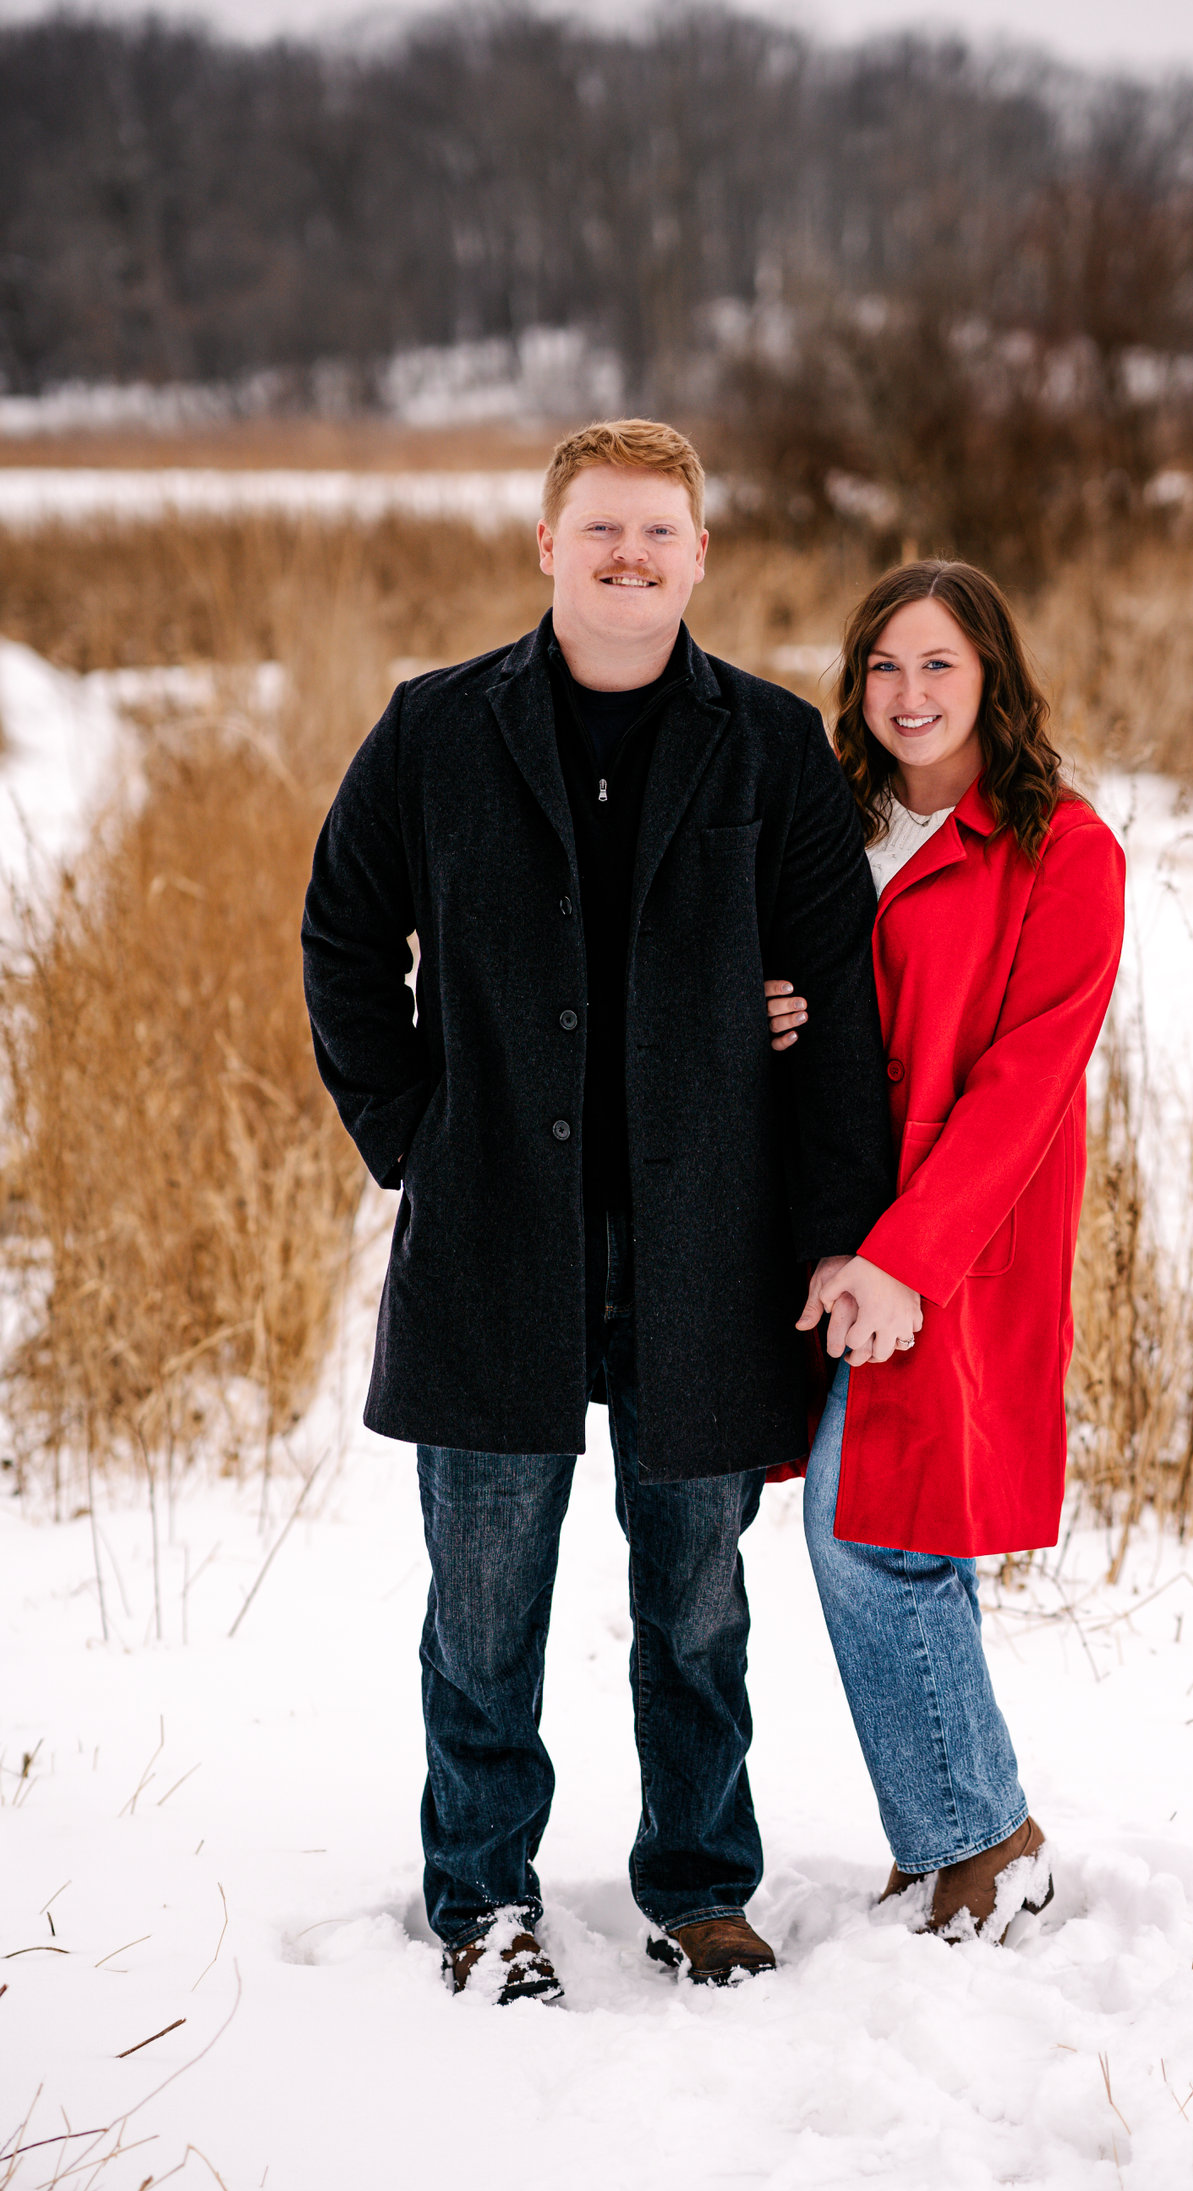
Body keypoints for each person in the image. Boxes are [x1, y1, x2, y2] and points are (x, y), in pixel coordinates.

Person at [301, 420, 898, 2005]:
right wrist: (412, 1128)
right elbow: (344, 934)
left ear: (700, 557)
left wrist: (841, 1224)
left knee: (697, 1604)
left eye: (659, 535)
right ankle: (482, 1897)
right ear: (547, 548)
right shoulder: (435, 731)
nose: (630, 559)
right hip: (497, 1227)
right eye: (601, 532)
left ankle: (702, 1887)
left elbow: (835, 997)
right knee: (484, 1601)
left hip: (710, 1242)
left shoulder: (770, 748)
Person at [765, 559, 1126, 1942]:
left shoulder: (1062, 850)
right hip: (830, 1226)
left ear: (993, 682)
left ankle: (986, 1838)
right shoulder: (829, 830)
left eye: (940, 666)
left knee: (879, 1529)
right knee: (886, 1525)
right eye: (884, 668)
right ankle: (954, 1841)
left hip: (962, 1238)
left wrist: (908, 1257)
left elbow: (1028, 1078)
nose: (909, 695)